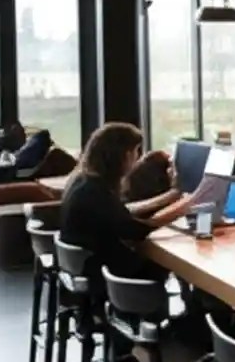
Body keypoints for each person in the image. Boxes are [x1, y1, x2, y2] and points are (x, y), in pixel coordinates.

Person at [60, 123, 196, 287]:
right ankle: (189, 309)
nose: (137, 158)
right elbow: (137, 229)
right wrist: (189, 203)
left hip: (87, 263)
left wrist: (173, 195)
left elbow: (123, 211)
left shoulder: (83, 181)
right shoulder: (94, 192)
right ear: (122, 156)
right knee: (170, 265)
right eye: (135, 151)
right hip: (105, 272)